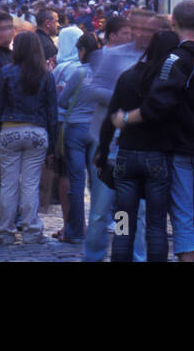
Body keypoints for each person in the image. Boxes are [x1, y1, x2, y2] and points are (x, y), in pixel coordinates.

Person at [113, 0, 194, 262]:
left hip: (181, 144)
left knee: (183, 211)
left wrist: (127, 118)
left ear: (175, 23)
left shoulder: (175, 59)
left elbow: (158, 103)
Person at [100, 29, 178, 262]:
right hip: (157, 155)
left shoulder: (128, 76)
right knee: (156, 224)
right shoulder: (169, 81)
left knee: (123, 221)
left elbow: (111, 116)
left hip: (127, 156)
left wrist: (102, 151)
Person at [81, 15, 144, 262]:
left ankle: (126, 251)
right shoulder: (105, 57)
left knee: (130, 208)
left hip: (133, 141)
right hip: (104, 139)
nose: (130, 37)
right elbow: (91, 90)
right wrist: (122, 99)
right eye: (127, 32)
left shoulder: (144, 59)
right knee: (100, 207)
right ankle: (93, 255)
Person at [0, 30, 59, 243]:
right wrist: (53, 145)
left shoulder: (5, 73)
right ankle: (31, 230)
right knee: (30, 184)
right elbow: (52, 113)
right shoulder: (46, 75)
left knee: (8, 184)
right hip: (37, 131)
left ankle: (5, 230)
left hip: (10, 130)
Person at [56, 31, 101, 244]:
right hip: (97, 130)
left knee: (76, 181)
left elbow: (63, 101)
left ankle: (74, 231)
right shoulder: (104, 74)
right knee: (98, 182)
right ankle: (100, 227)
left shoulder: (78, 73)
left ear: (82, 51)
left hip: (75, 129)